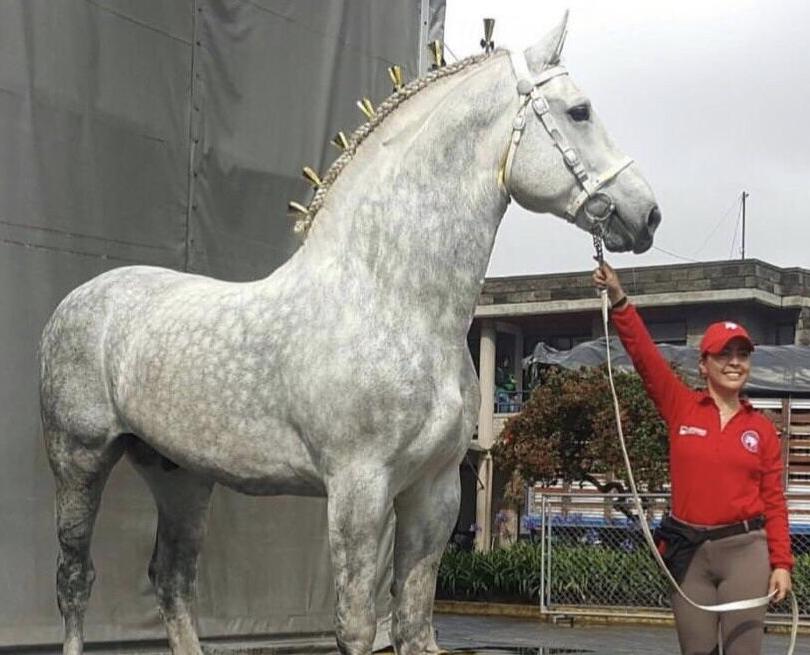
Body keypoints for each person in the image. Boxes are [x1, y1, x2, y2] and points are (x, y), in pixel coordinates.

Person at [593, 262, 792, 655]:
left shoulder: (763, 429)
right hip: (689, 552)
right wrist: (618, 297)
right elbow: (645, 357)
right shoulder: (681, 407)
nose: (735, 362)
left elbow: (774, 501)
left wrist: (781, 563)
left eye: (742, 355)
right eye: (724, 354)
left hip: (745, 552)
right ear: (704, 364)